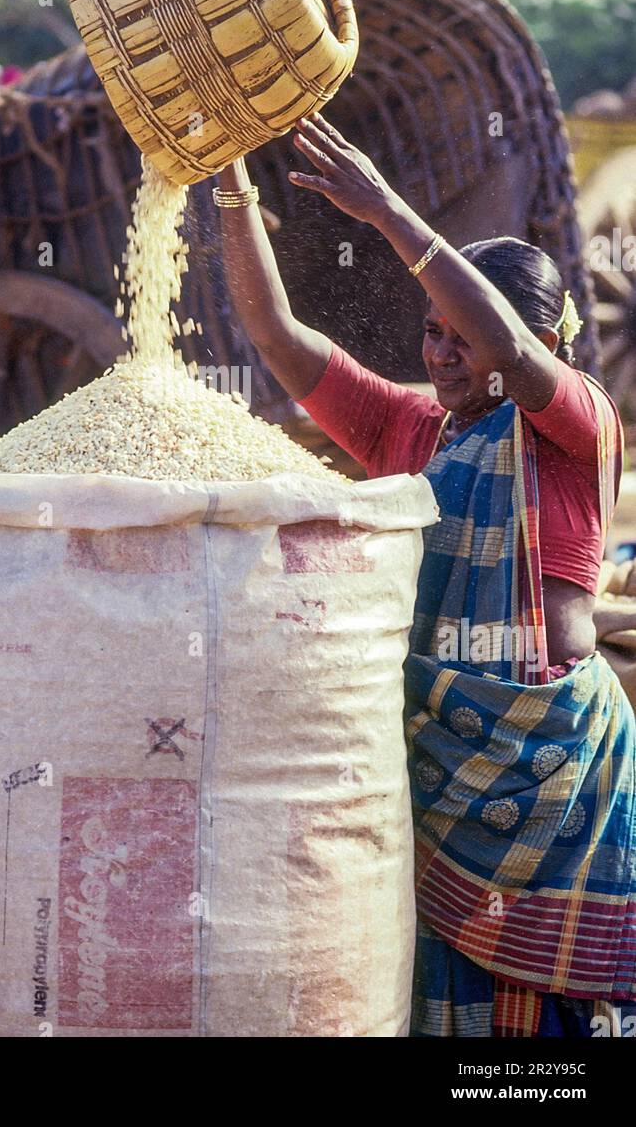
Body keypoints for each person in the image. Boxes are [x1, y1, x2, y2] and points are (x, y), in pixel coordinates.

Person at [216, 112, 636, 1038]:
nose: (438, 352)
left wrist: (385, 210)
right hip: (443, 765)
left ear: (533, 345)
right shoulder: (413, 429)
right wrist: (227, 183)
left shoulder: (575, 426)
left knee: (556, 1012)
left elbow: (514, 358)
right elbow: (278, 338)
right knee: (449, 997)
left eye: (461, 336)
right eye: (430, 332)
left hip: (550, 763)